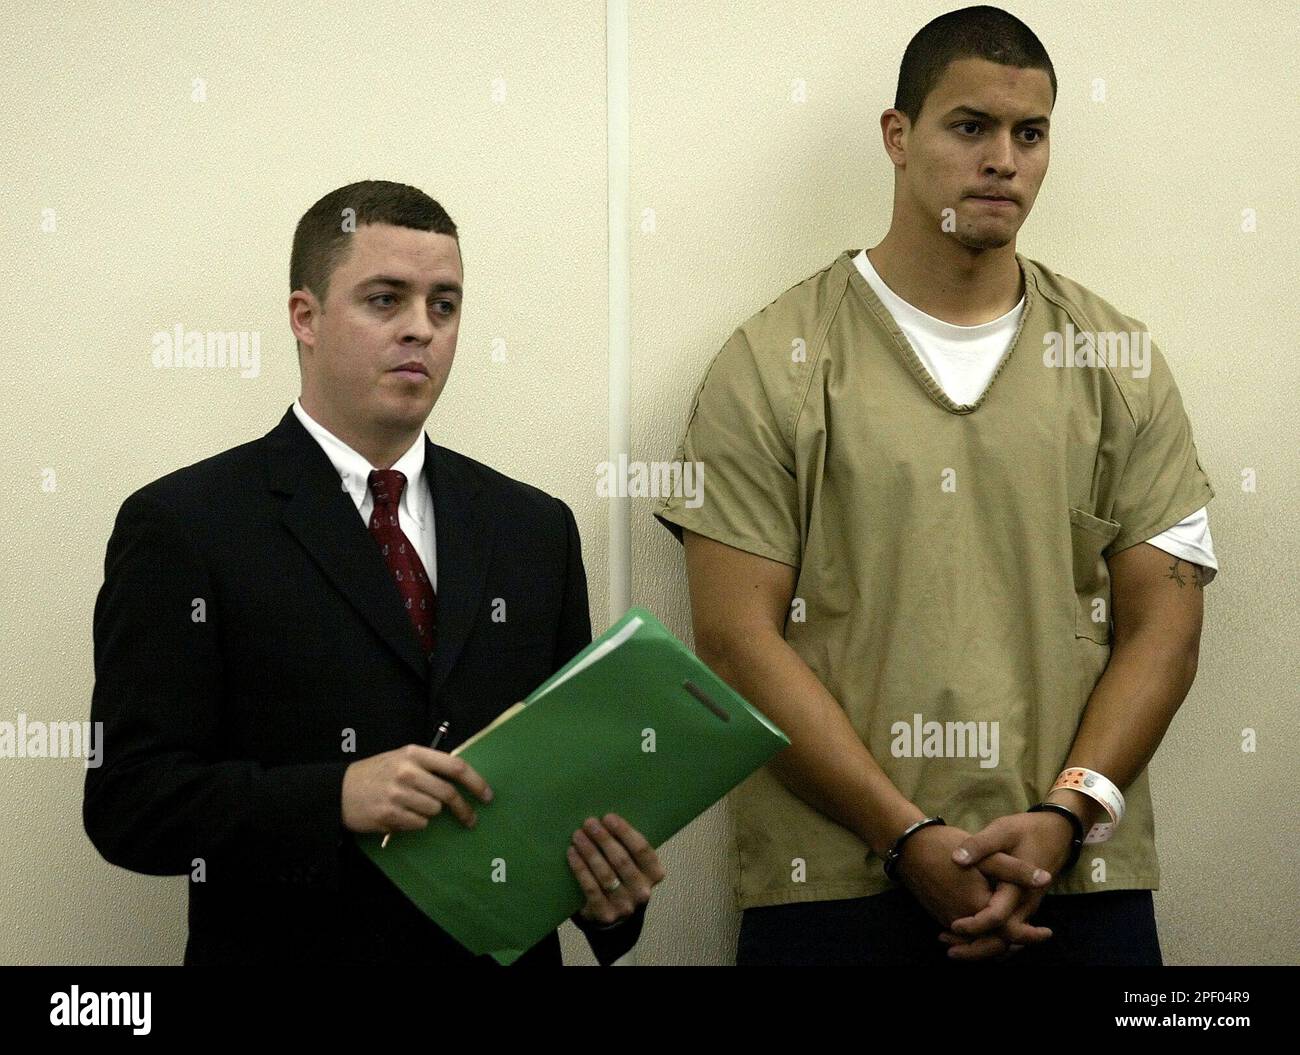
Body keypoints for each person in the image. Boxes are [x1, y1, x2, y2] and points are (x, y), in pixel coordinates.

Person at [654, 6, 1217, 966]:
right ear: (898, 137)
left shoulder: (1115, 363)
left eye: (1029, 134)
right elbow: (735, 640)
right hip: (833, 882)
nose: (1004, 158)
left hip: (1074, 880)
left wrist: (1066, 814)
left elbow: (1164, 627)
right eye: (971, 127)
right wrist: (905, 834)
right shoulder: (774, 363)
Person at [84, 180, 662, 966]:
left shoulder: (534, 528)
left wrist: (608, 900)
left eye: (444, 305)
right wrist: (337, 796)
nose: (420, 329)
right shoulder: (187, 524)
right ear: (305, 317)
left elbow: (571, 777)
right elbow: (130, 803)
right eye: (385, 300)